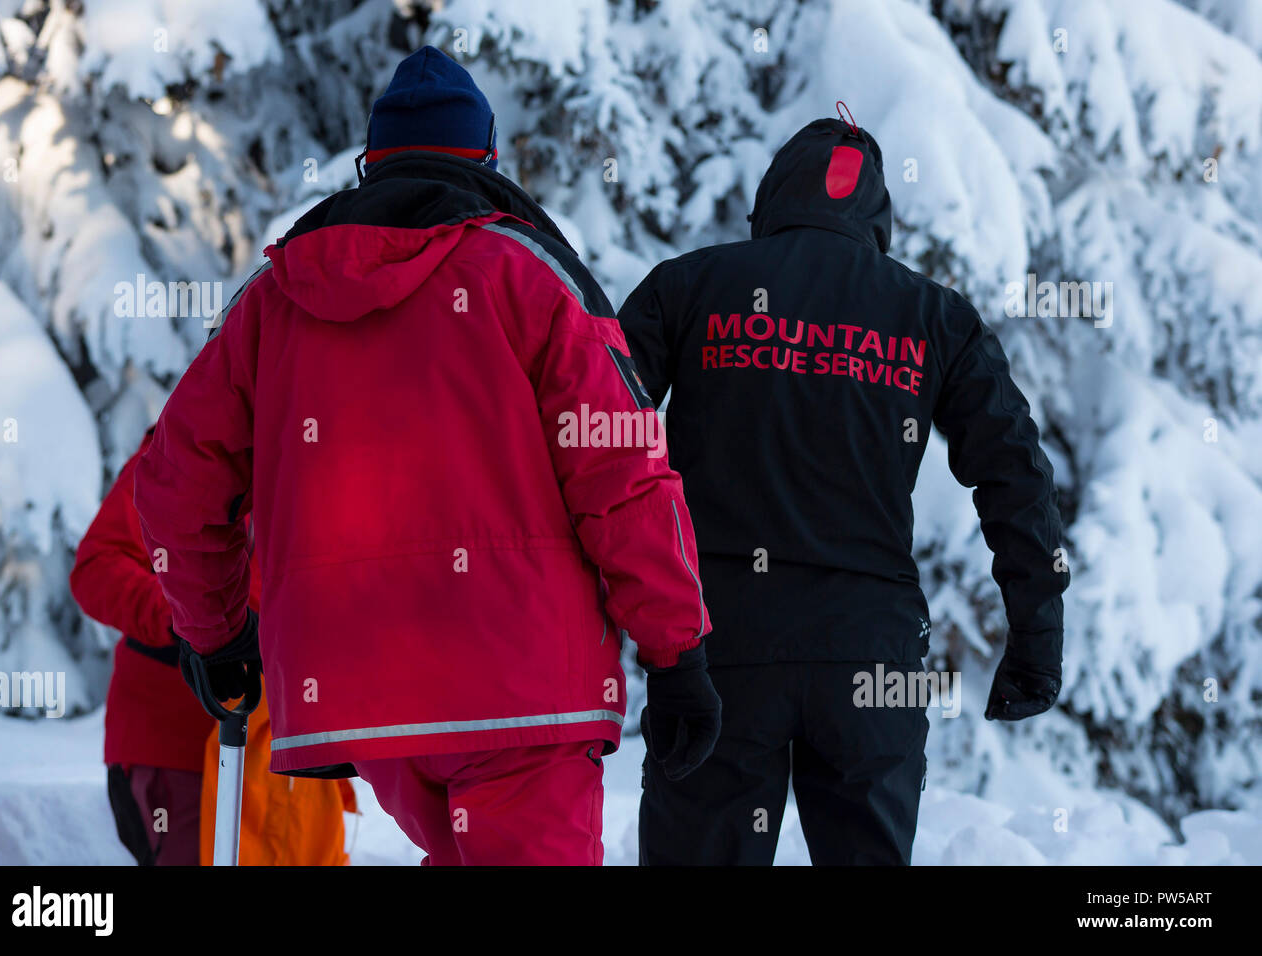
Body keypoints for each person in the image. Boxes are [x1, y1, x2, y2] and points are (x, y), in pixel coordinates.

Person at [132, 46, 720, 867]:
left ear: (370, 165)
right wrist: (677, 650)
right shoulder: (531, 274)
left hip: (357, 690)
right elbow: (621, 470)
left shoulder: (273, 297)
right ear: (486, 159)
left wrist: (216, 633)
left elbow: (172, 481)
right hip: (521, 683)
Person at [618, 114, 1070, 865]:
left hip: (721, 647)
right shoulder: (934, 317)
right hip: (875, 661)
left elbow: (596, 434)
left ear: (773, 197)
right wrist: (1036, 637)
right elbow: (1016, 472)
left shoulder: (690, 285)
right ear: (877, 217)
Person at [71, 428, 351, 865]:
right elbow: (97, 567)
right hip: (176, 756)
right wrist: (198, 621)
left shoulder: (322, 466)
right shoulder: (182, 453)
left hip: (287, 760)